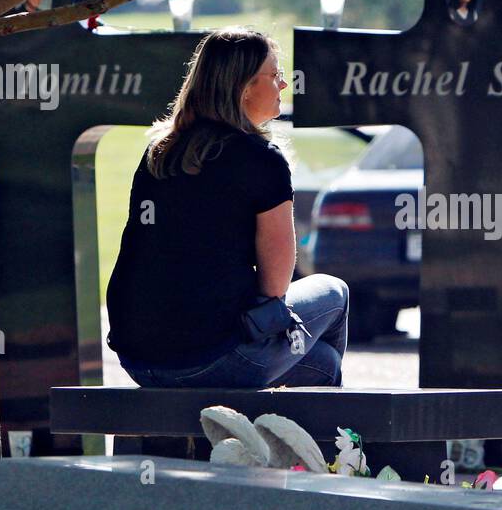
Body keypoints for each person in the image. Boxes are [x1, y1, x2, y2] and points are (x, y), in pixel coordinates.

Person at [105, 27, 349, 389]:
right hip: (213, 358)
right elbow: (275, 287)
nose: (283, 85)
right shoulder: (261, 159)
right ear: (245, 86)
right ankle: (323, 445)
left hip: (141, 361)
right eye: (275, 75)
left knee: (322, 364)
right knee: (334, 293)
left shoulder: (160, 153)